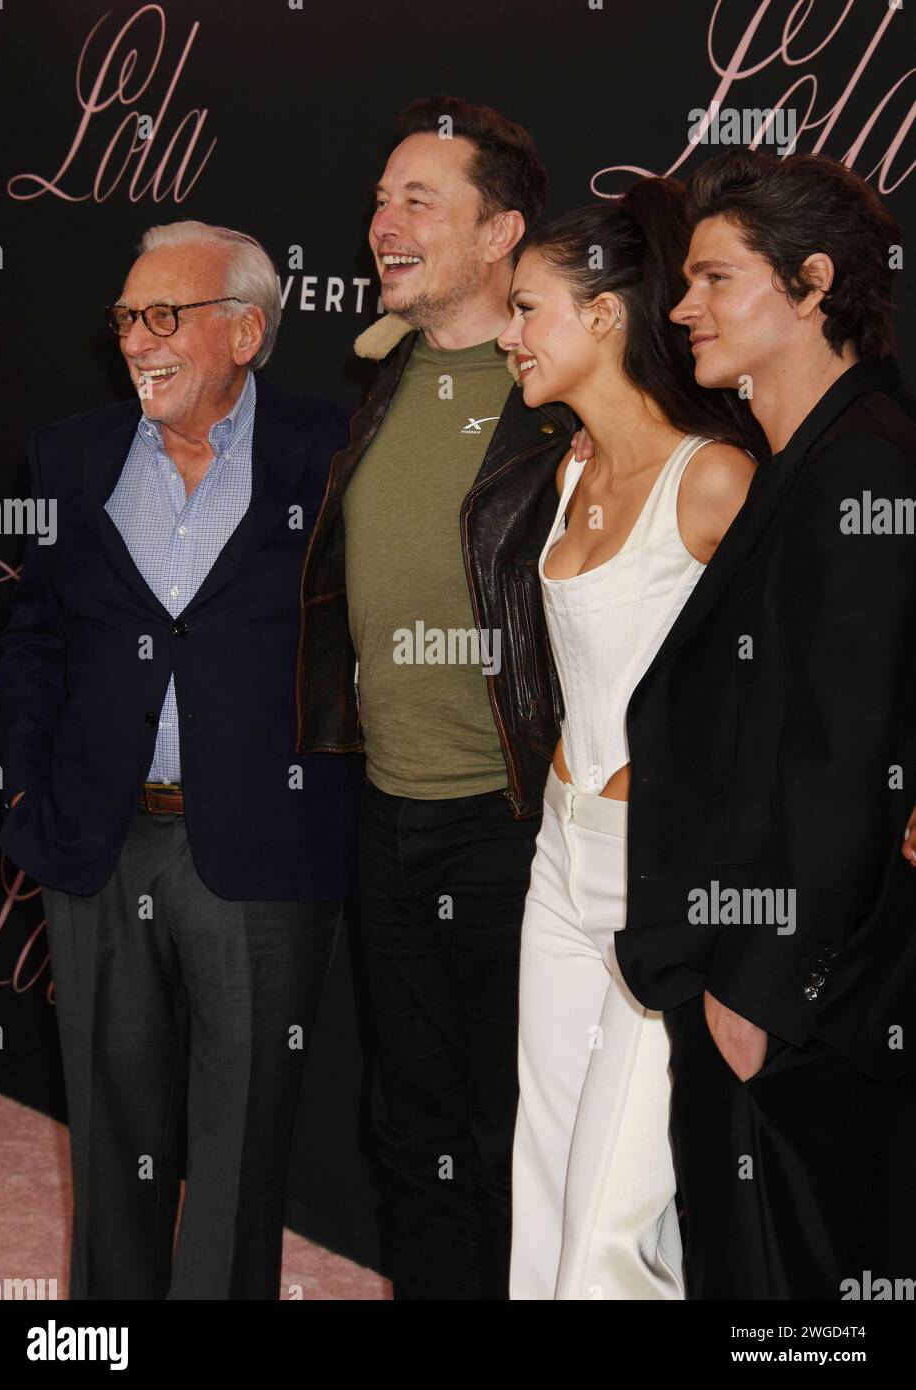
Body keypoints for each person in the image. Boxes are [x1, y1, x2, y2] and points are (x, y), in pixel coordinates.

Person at [0, 221, 362, 1300]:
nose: (137, 341)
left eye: (168, 316)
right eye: (126, 318)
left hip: (261, 847)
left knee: (243, 1150)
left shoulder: (335, 449)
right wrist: (29, 797)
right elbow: (34, 641)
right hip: (103, 846)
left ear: (246, 330)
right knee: (110, 1135)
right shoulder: (71, 454)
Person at [615, 149, 916, 1299]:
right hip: (761, 980)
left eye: (716, 279)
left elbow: (848, 759)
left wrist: (760, 990)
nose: (683, 306)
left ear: (813, 285)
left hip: (789, 1002)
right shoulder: (809, 458)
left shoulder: (859, 469)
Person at [296, 96, 580, 1300]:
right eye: (379, 196)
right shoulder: (386, 380)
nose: (383, 221)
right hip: (390, 809)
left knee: (521, 1131)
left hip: (514, 820)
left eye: (421, 199)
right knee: (413, 1129)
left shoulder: (557, 402)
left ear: (502, 231)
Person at [498, 181, 764, 1299]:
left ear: (605, 315)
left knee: (612, 1217)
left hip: (667, 875)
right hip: (561, 860)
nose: (508, 334)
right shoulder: (564, 473)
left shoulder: (711, 480)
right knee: (546, 1170)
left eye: (527, 308)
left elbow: (799, 686)